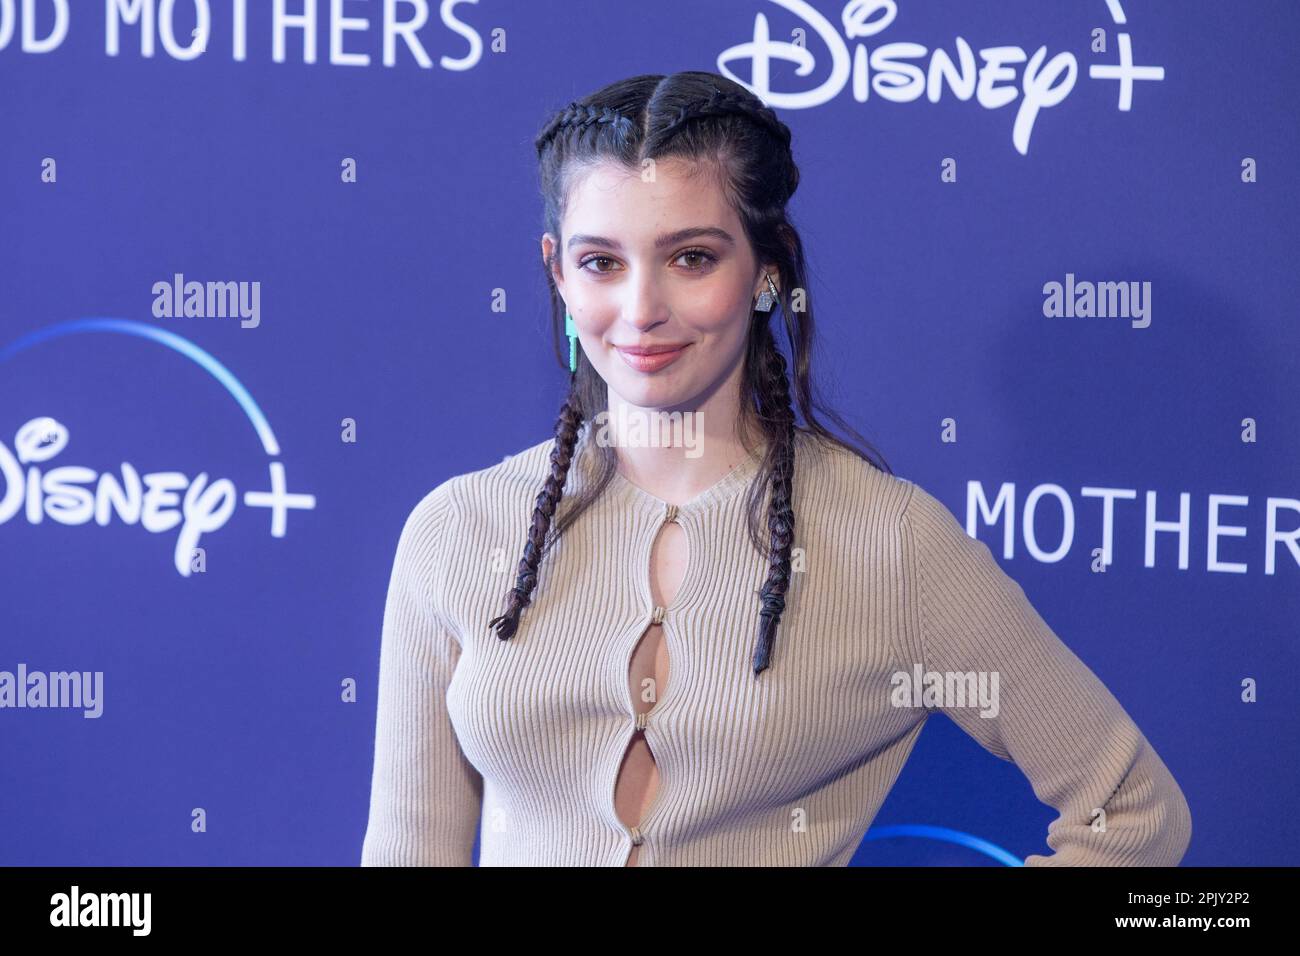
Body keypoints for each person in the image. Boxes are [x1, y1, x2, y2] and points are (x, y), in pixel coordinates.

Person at [360, 71, 1192, 867]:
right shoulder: (457, 531)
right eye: (602, 262)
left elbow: (1133, 815)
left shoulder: (891, 544)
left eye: (691, 257)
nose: (641, 308)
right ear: (558, 273)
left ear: (767, 270)